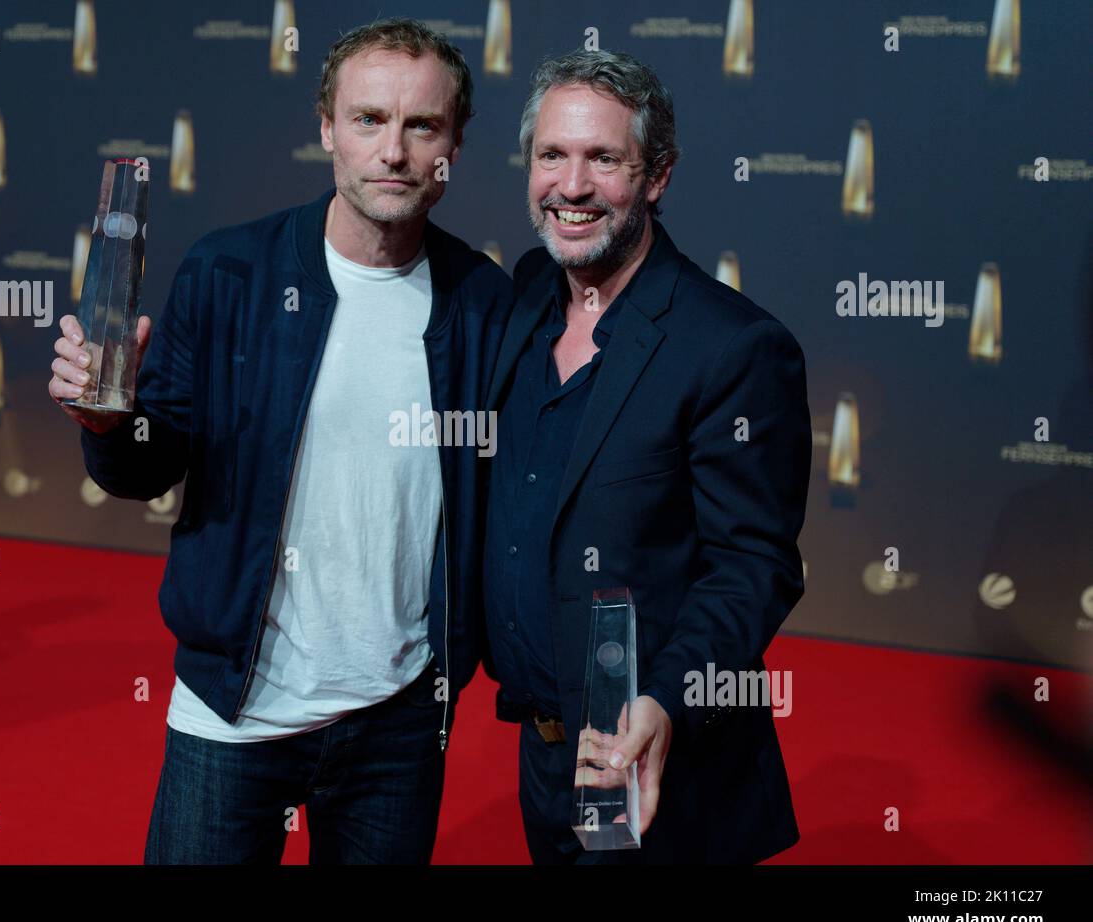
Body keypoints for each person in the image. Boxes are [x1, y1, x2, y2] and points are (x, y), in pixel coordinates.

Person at [48, 18, 511, 864]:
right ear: (326, 128)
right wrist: (112, 423)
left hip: (399, 720)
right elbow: (152, 456)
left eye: (423, 127)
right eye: (369, 119)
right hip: (232, 710)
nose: (395, 152)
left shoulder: (482, 301)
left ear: (455, 144)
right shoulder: (232, 271)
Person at [484, 49, 811, 864]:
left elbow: (754, 566)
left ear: (657, 175)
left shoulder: (733, 346)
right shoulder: (526, 294)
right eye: (552, 155)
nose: (572, 186)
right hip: (545, 758)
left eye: (604, 159)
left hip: (671, 777)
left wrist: (666, 700)